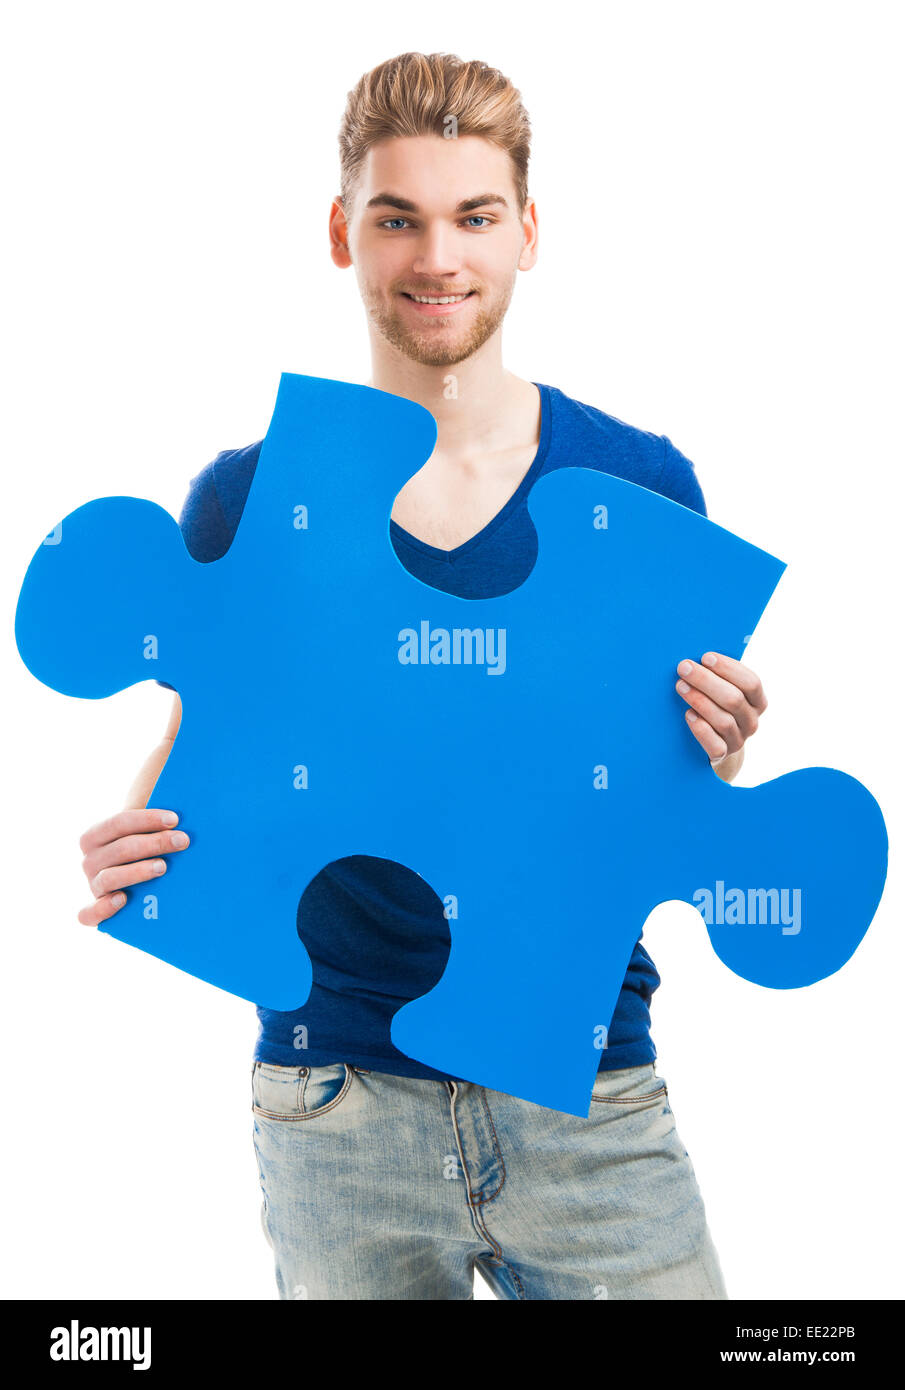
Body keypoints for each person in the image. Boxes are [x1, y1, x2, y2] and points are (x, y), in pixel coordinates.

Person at [77, 51, 767, 1300]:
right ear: (343, 232)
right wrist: (135, 845)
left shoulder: (642, 489)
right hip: (332, 1100)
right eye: (397, 219)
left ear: (527, 233)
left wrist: (716, 747)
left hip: (584, 1086)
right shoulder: (251, 494)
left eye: (472, 217)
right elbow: (208, 744)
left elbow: (655, 790)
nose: (435, 256)